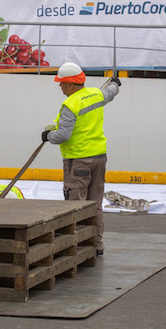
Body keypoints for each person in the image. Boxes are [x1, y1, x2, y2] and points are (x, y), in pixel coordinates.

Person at [41, 62, 121, 256]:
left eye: (61, 83)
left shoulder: (70, 104)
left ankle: (75, 248)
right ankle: (96, 245)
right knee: (95, 204)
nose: (59, 86)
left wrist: (47, 136)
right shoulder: (96, 94)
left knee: (75, 205)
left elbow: (63, 136)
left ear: (70, 84)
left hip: (78, 160)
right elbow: (110, 93)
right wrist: (116, 84)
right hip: (99, 158)